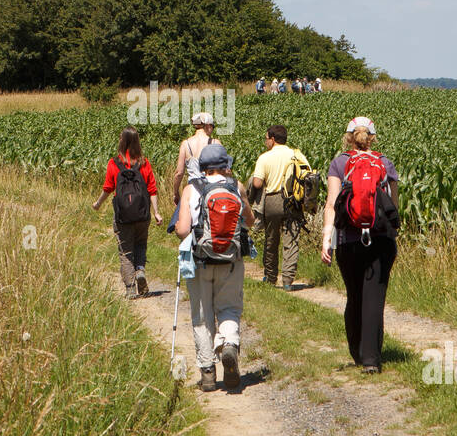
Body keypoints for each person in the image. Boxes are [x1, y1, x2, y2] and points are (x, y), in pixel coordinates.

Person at [319, 117, 399, 374]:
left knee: (354, 296)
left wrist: (326, 239)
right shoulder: (384, 163)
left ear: (348, 137)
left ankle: (356, 352)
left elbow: (331, 204)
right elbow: (393, 206)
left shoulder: (340, 163)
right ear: (372, 137)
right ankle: (372, 359)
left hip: (348, 241)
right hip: (380, 239)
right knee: (374, 299)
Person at [176, 143, 254, 392]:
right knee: (229, 308)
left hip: (201, 260)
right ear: (226, 165)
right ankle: (229, 344)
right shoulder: (236, 186)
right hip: (231, 260)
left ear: (203, 167)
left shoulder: (191, 189)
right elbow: (250, 221)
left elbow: (183, 230)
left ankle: (208, 373)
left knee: (202, 317)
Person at [92, 127, 163, 298]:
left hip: (123, 215)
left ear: (122, 141)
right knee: (140, 244)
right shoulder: (144, 163)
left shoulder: (114, 163)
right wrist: (157, 212)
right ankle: (140, 271)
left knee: (125, 251)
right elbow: (152, 190)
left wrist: (98, 203)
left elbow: (108, 188)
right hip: (142, 214)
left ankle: (130, 289)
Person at [249, 124, 302, 288]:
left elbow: (257, 183)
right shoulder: (296, 155)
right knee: (291, 240)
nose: (265, 142)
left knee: (271, 240)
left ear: (272, 139)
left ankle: (270, 277)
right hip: (293, 201)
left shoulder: (265, 157)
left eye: (266, 139)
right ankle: (287, 280)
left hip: (272, 200)